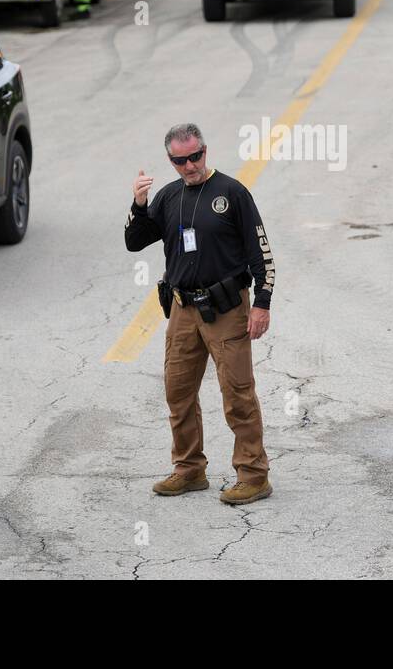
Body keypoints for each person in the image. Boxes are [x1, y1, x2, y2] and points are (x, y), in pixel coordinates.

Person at [124, 123, 277, 506]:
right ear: (171, 161)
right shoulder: (168, 196)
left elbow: (262, 253)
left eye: (196, 156)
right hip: (182, 309)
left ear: (205, 151)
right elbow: (134, 241)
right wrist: (139, 206)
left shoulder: (232, 193)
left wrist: (262, 303)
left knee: (237, 394)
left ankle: (254, 475)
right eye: (181, 160)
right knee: (178, 392)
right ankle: (189, 468)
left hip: (226, 308)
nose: (190, 165)